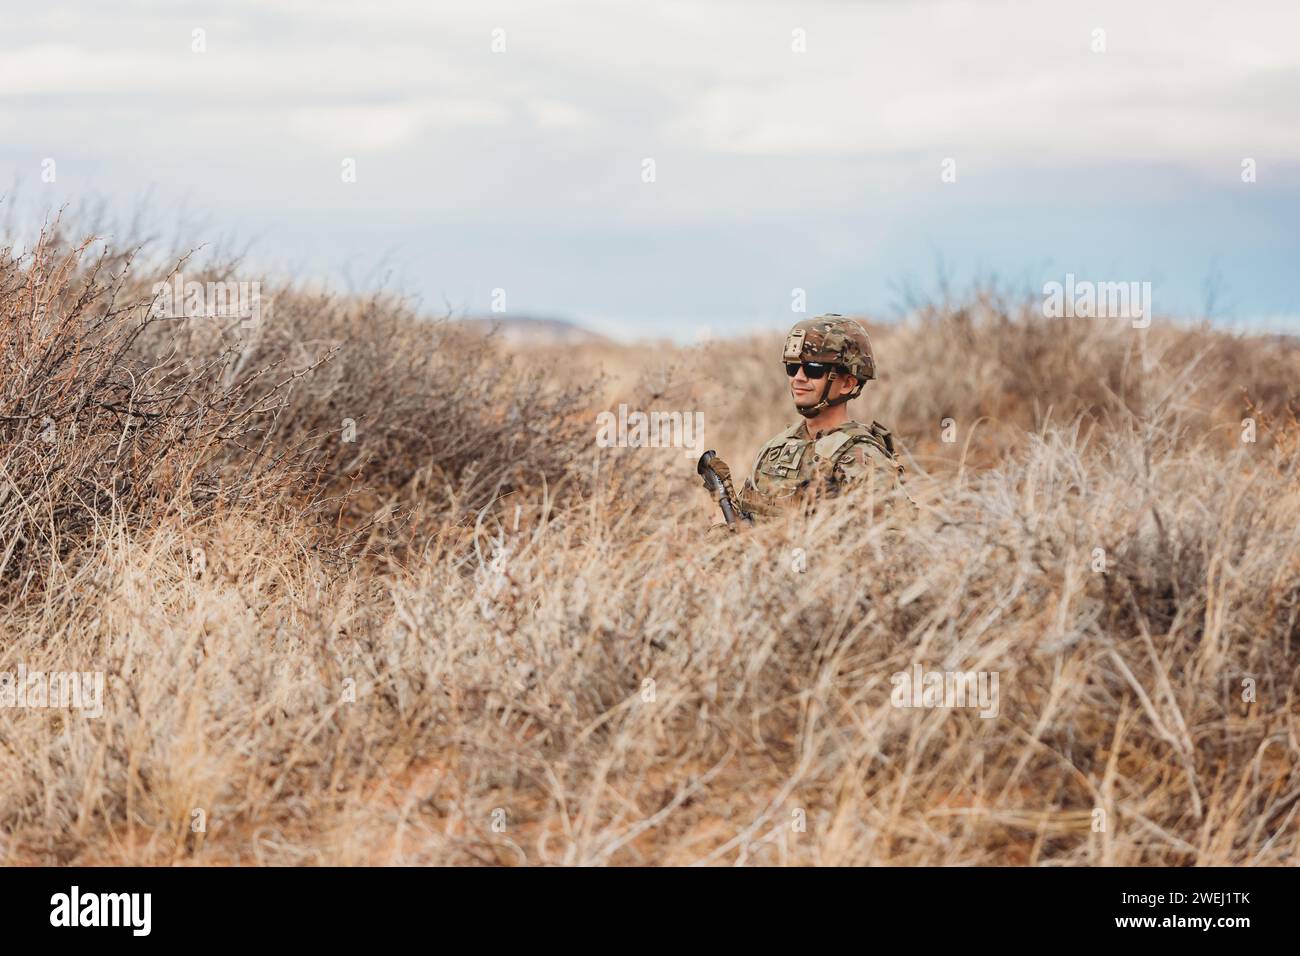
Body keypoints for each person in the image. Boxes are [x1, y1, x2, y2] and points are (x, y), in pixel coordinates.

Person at [714, 314, 909, 522]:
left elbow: (886, 545)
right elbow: (748, 527)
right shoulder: (775, 449)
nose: (798, 377)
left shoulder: (864, 458)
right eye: (792, 367)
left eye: (813, 369)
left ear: (847, 384)